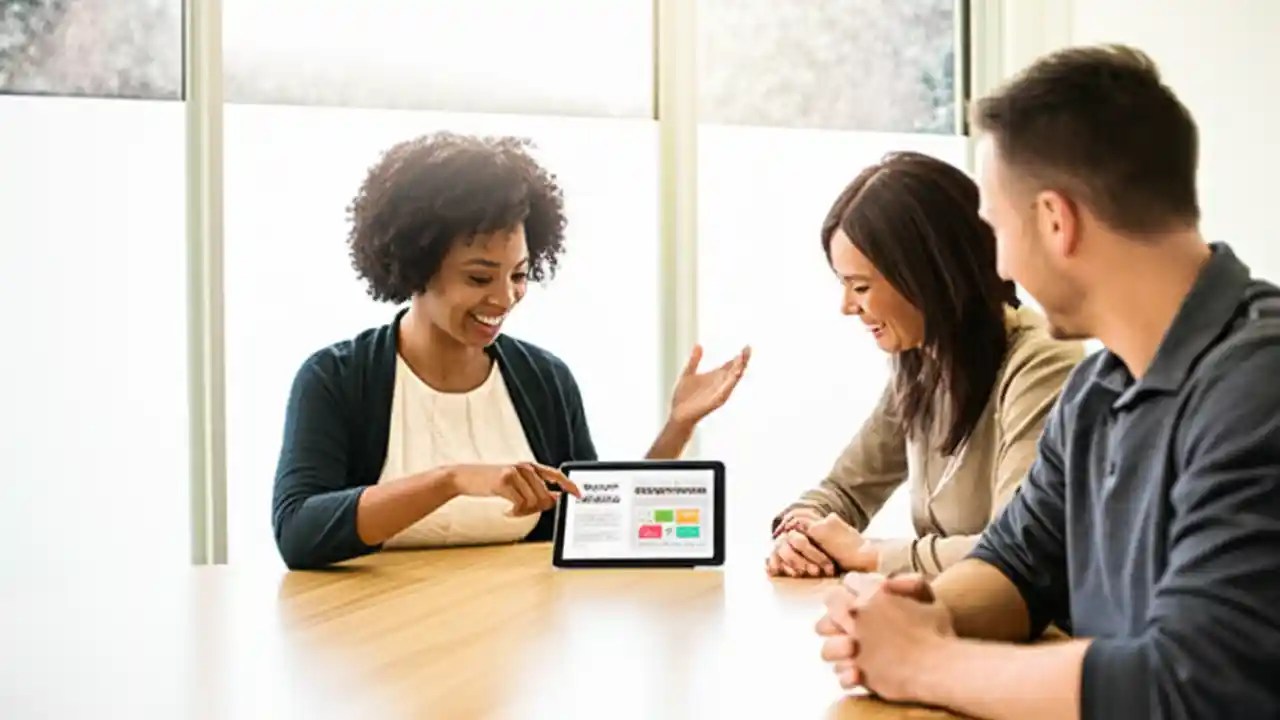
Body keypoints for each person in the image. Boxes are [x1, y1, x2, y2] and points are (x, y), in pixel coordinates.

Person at [815, 44, 1280, 719]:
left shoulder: (1258, 384)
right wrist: (911, 614)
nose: (997, 259)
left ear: (1056, 221)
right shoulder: (1098, 390)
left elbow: (1194, 681)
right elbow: (1019, 569)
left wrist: (926, 661)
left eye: (997, 228)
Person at [272, 132, 750, 570]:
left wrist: (678, 426)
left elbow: (595, 524)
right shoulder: (335, 379)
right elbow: (298, 533)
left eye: (518, 275)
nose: (504, 298)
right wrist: (452, 480)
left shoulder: (545, 379)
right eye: (479, 278)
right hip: (375, 643)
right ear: (415, 267)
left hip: (518, 643)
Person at [766, 152, 1082, 579]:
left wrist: (870, 553)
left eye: (860, 286)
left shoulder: (1040, 362)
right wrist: (800, 531)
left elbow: (1019, 547)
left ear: (927, 275)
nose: (847, 307)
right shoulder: (923, 358)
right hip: (952, 620)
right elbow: (845, 489)